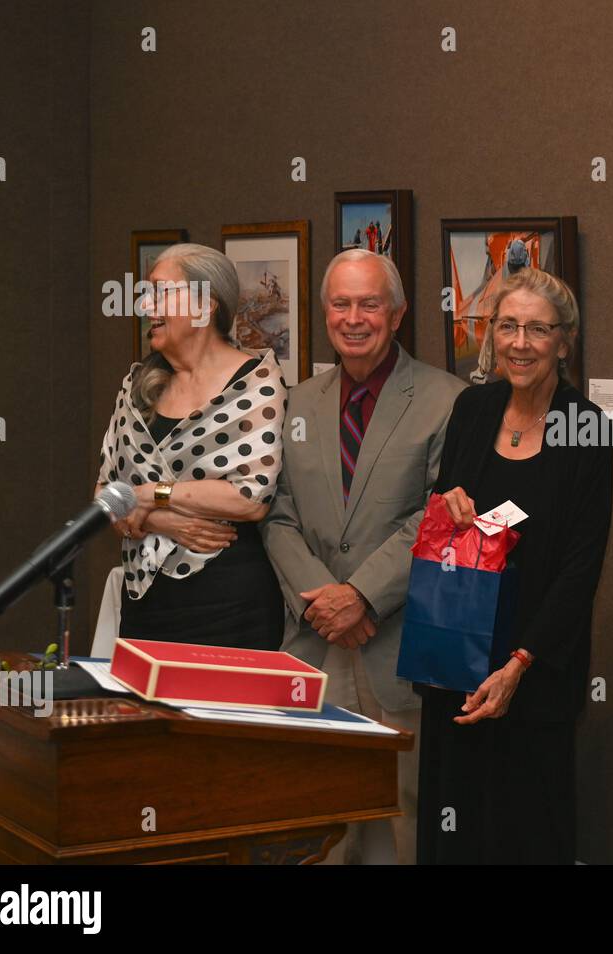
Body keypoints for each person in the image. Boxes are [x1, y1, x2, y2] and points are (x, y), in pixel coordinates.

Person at [261, 248, 464, 864]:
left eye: (369, 304)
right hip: (311, 642)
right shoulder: (293, 403)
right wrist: (326, 600)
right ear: (324, 312)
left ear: (397, 313)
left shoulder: (447, 400)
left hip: (394, 645)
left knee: (399, 829)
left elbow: (438, 516)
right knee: (316, 827)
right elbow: (276, 512)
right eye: (341, 304)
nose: (355, 318)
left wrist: (362, 596)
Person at [417, 268, 613, 864]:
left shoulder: (586, 426)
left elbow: (582, 566)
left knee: (525, 829)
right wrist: (449, 506)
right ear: (491, 334)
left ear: (564, 340)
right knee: (454, 825)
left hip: (536, 666)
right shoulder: (472, 408)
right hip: (457, 653)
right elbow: (450, 520)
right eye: (508, 326)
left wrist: (520, 663)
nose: (520, 343)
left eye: (537, 329)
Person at [94, 242, 287, 650]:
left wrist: (148, 495)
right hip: (146, 601)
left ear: (205, 305)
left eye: (160, 292)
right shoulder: (136, 386)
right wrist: (157, 520)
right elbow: (105, 495)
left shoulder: (256, 382)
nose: (147, 306)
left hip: (230, 603)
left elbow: (250, 497)